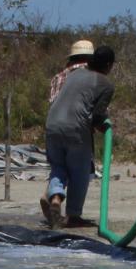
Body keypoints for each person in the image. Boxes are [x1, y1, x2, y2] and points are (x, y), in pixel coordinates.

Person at [42, 45, 116, 230]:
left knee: (58, 166)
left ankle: (56, 197)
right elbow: (98, 115)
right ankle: (73, 215)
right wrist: (104, 125)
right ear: (108, 65)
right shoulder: (105, 84)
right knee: (79, 172)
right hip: (76, 128)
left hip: (52, 124)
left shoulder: (73, 75)